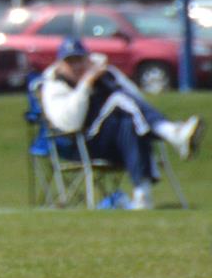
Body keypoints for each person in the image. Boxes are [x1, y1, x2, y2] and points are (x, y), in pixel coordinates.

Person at [41, 37, 201, 210]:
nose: (76, 66)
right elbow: (71, 123)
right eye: (70, 62)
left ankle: (142, 195)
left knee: (130, 123)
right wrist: (86, 84)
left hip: (116, 140)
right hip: (81, 144)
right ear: (60, 65)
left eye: (79, 60)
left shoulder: (106, 74)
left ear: (88, 59)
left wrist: (105, 76)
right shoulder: (54, 86)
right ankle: (171, 132)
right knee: (119, 99)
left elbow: (138, 99)